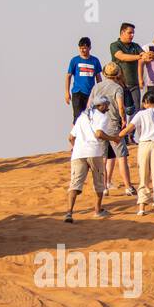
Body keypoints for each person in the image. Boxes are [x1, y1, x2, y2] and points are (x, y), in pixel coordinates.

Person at [118, 93, 154, 218]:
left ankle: (142, 207)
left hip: (144, 145)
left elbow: (129, 129)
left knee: (143, 176)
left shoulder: (141, 114)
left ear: (145, 102)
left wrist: (117, 137)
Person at [65, 93, 116, 223]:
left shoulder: (82, 117)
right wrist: (113, 138)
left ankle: (69, 212)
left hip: (78, 153)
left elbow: (71, 137)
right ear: (102, 105)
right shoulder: (102, 117)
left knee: (75, 184)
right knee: (99, 182)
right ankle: (98, 210)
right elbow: (99, 134)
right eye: (107, 105)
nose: (108, 108)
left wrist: (77, 147)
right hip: (94, 151)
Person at [88, 63, 134, 195]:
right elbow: (121, 106)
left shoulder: (97, 86)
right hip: (113, 124)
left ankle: (104, 187)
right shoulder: (117, 88)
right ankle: (128, 187)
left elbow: (89, 105)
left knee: (103, 157)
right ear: (118, 74)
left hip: (98, 126)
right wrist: (124, 119)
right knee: (121, 156)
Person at [110, 22, 150, 118]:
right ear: (122, 32)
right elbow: (122, 57)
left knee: (136, 111)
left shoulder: (135, 46)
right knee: (119, 110)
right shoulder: (115, 45)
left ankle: (131, 133)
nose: (132, 35)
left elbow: (144, 56)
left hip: (134, 84)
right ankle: (120, 132)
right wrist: (139, 56)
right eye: (130, 33)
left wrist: (149, 55)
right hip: (119, 84)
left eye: (133, 33)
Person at [65, 37, 104, 122]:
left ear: (89, 48)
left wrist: (100, 92)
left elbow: (98, 78)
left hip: (91, 93)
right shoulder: (75, 60)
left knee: (90, 116)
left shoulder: (95, 60)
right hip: (78, 92)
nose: (82, 50)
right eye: (81, 48)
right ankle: (76, 134)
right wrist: (67, 92)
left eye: (84, 48)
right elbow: (68, 76)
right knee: (78, 117)